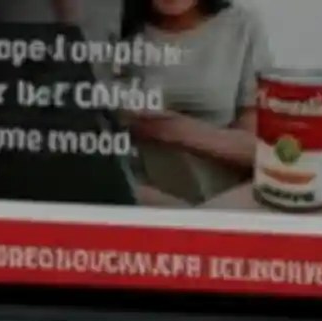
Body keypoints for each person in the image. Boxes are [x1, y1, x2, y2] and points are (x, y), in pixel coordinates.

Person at [117, 0, 275, 206]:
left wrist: (168, 127)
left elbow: (254, 150)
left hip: (220, 202)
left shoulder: (240, 26)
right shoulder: (112, 30)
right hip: (139, 198)